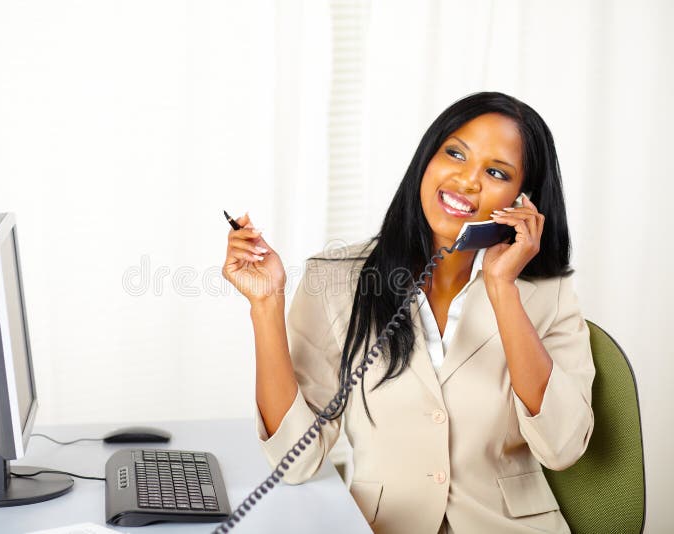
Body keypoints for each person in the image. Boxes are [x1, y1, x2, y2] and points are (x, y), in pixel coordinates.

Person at [221, 92, 595, 533]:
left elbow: (561, 448)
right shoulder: (336, 283)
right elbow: (296, 461)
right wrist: (267, 306)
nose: (468, 180)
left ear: (523, 201)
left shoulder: (547, 294)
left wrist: (502, 288)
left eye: (496, 172)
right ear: (427, 158)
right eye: (455, 153)